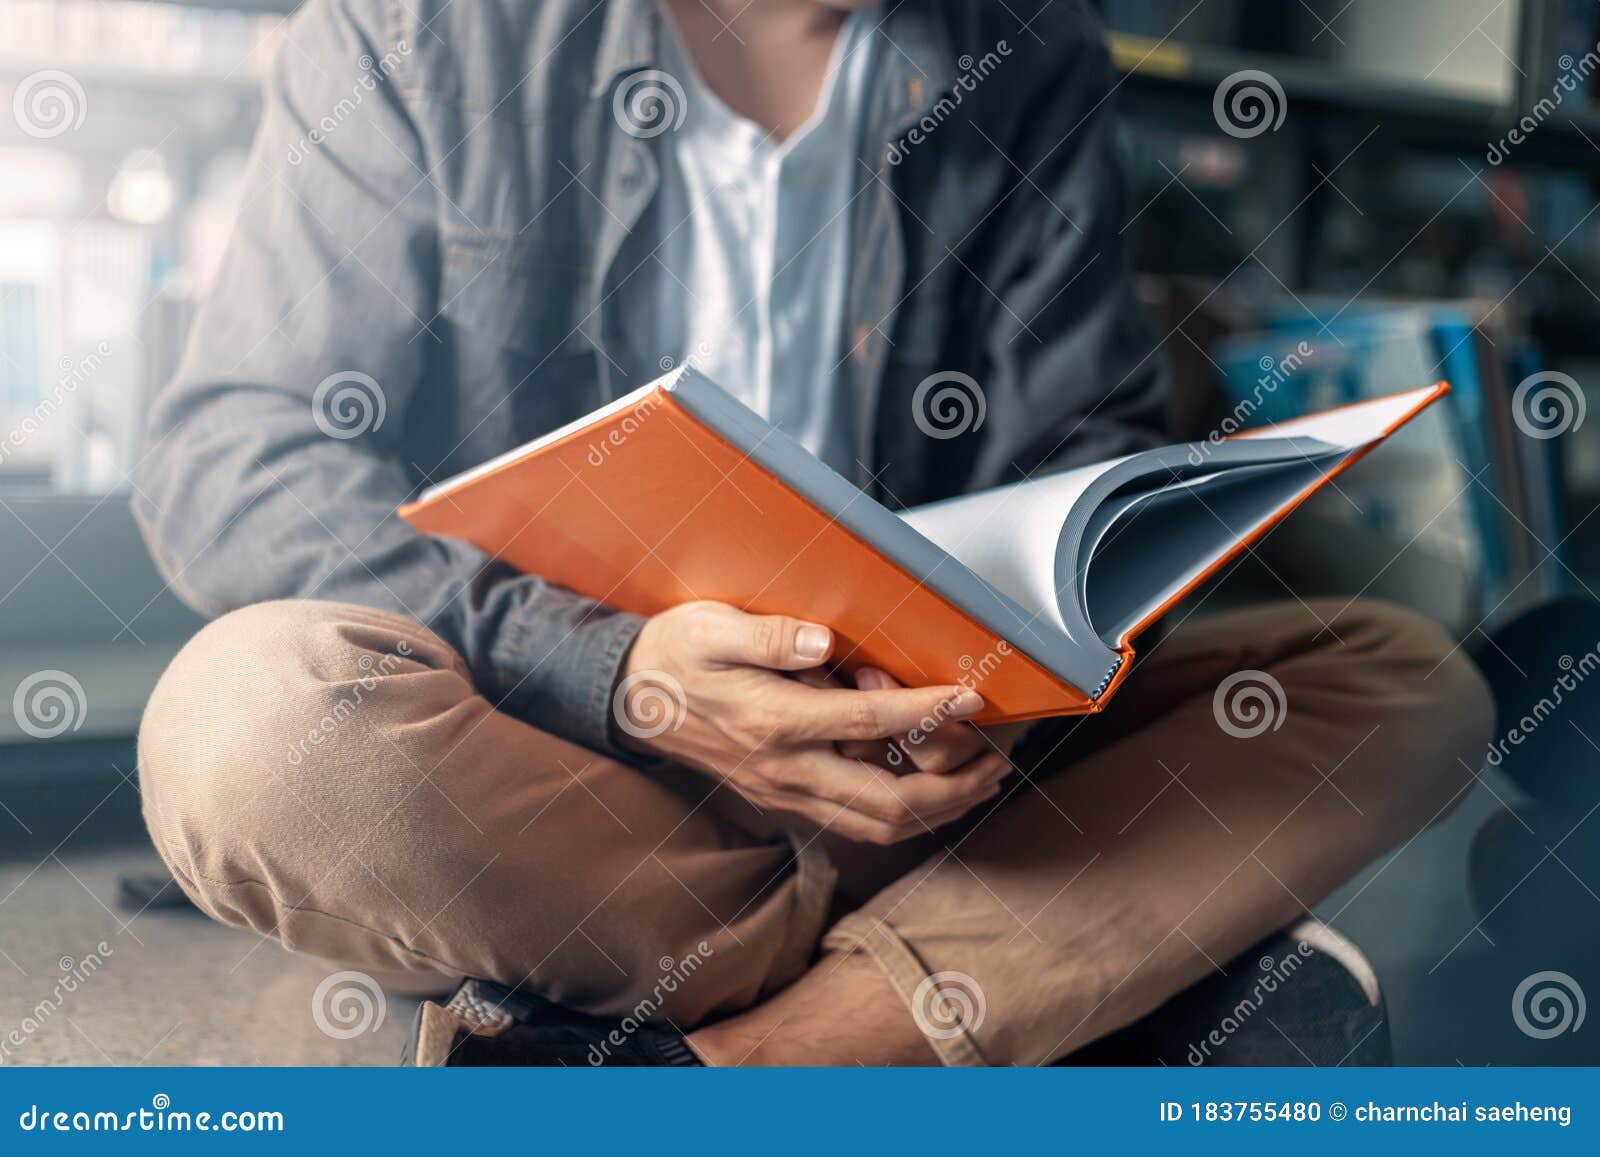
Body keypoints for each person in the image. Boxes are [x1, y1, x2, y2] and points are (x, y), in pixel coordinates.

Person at [133, 0, 1492, 1066]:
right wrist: (624, 674)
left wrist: (1004, 661)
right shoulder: (419, 29)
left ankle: (748, 1053)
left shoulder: (1024, 41)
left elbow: (1089, 442)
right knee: (243, 731)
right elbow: (229, 457)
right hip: (566, 783)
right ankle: (1004, 982)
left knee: (1402, 680)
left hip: (927, 774)